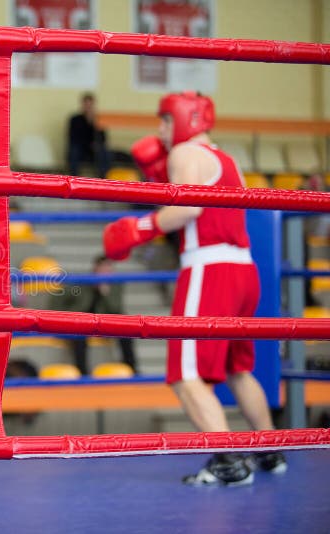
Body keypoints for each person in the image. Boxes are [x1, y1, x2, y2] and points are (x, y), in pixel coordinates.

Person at [102, 91, 286, 486]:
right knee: (238, 368)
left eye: (165, 121)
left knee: (185, 373)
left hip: (210, 270)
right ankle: (270, 450)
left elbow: (190, 208)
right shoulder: (227, 158)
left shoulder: (184, 153)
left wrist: (139, 228)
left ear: (185, 120)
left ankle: (226, 461)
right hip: (243, 269)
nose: (161, 130)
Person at [47, 256, 137, 375]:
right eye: (103, 268)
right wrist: (64, 316)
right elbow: (58, 298)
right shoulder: (83, 283)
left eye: (108, 268)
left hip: (104, 322)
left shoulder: (115, 284)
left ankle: (132, 368)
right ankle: (83, 373)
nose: (105, 271)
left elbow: (115, 308)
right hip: (83, 322)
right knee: (79, 336)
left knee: (127, 330)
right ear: (96, 268)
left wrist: (105, 293)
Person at [67, 92, 110, 178]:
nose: (88, 107)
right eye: (86, 105)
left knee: (105, 152)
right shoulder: (75, 119)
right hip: (80, 147)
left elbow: (103, 138)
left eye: (90, 105)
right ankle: (73, 177)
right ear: (82, 105)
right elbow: (73, 137)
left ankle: (103, 178)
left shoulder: (98, 119)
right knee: (73, 151)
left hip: (94, 149)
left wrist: (93, 122)